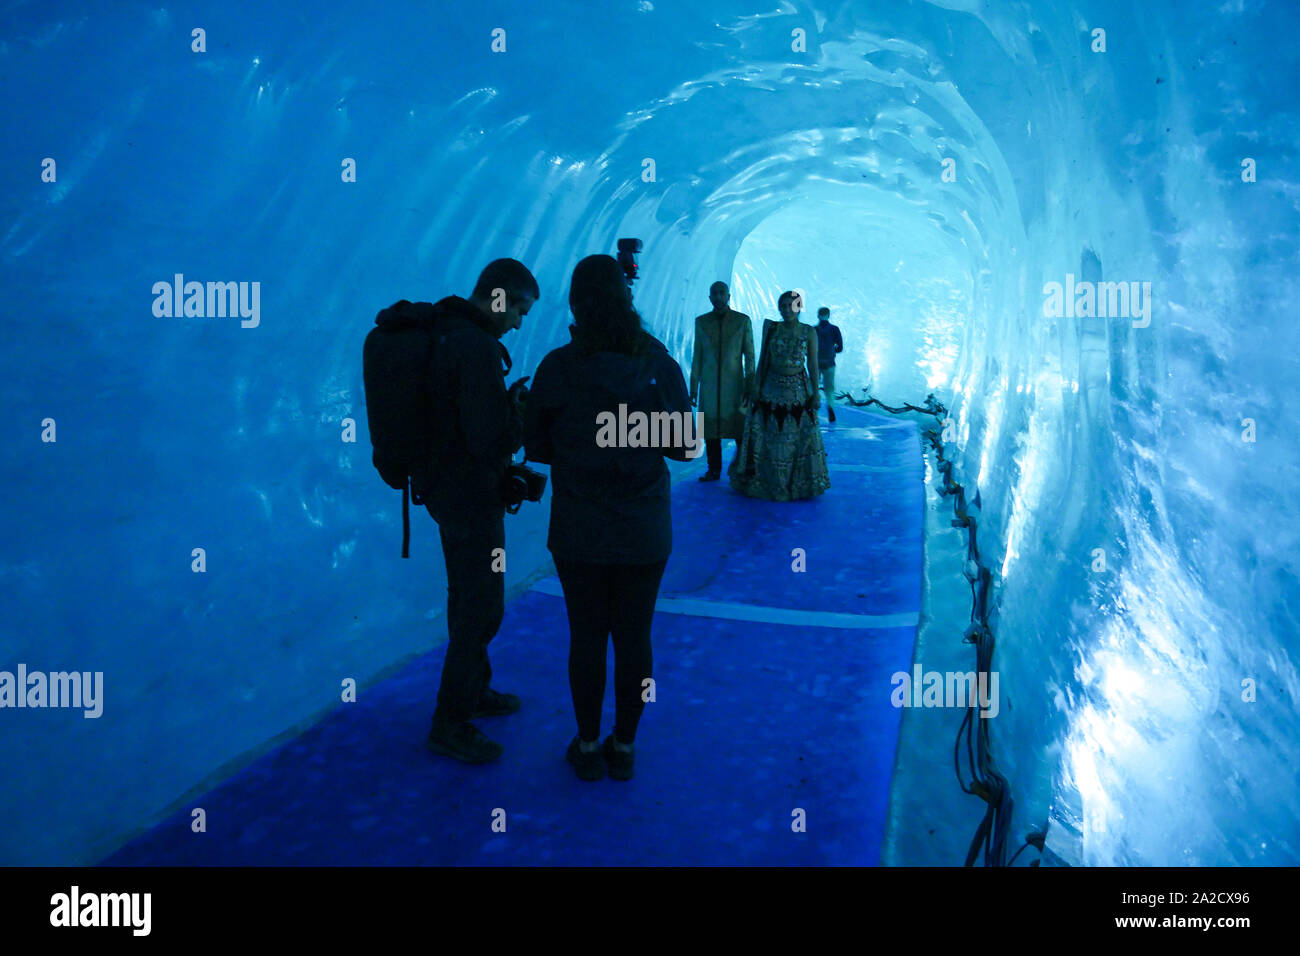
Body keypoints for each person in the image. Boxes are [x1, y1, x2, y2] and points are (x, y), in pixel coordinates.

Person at [523, 255, 694, 781]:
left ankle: (589, 742)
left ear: (576, 303)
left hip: (579, 530)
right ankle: (625, 746)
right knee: (635, 637)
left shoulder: (558, 367)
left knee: (587, 637)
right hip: (643, 529)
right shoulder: (658, 365)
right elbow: (686, 446)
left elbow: (538, 448)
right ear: (628, 301)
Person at [424, 258, 538, 765]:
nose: (518, 322)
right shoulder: (475, 347)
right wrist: (519, 415)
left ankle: (474, 689)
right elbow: (489, 438)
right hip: (472, 497)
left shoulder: (446, 332)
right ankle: (451, 722)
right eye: (519, 309)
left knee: (465, 595)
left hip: (446, 490)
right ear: (499, 297)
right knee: (483, 605)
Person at [728, 291, 831, 501]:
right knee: (768, 437)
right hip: (770, 389)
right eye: (782, 306)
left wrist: (816, 393)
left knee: (797, 438)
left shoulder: (809, 331)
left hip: (798, 392)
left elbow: (812, 364)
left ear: (798, 307)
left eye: (790, 305)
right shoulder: (772, 328)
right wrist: (756, 386)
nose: (786, 309)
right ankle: (765, 482)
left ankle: (797, 485)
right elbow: (763, 359)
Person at [690, 281, 755, 481]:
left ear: (728, 296)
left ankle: (746, 467)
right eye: (714, 294)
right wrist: (694, 386)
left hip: (735, 385)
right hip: (709, 385)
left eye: (721, 293)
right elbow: (697, 356)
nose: (718, 297)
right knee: (710, 430)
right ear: (709, 297)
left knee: (740, 428)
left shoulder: (742, 321)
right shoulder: (702, 322)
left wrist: (749, 383)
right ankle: (714, 469)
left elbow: (750, 355)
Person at [815, 306, 844, 423]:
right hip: (830, 362)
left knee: (813, 387)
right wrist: (832, 351)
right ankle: (830, 408)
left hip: (816, 362)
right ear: (829, 315)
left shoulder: (814, 329)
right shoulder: (835, 329)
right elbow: (840, 347)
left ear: (818, 316)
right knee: (830, 390)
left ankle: (813, 411)